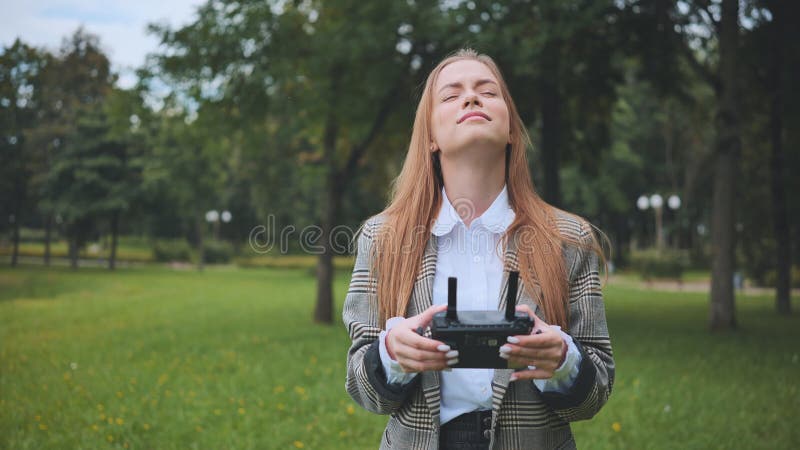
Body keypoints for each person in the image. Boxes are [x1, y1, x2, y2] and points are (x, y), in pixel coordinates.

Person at [343, 48, 614, 450]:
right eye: (451, 96)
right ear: (431, 137)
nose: (471, 98)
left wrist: (561, 360)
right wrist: (391, 355)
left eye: (487, 91)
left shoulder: (569, 238)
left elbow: (595, 394)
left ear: (510, 129)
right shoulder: (383, 239)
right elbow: (364, 389)